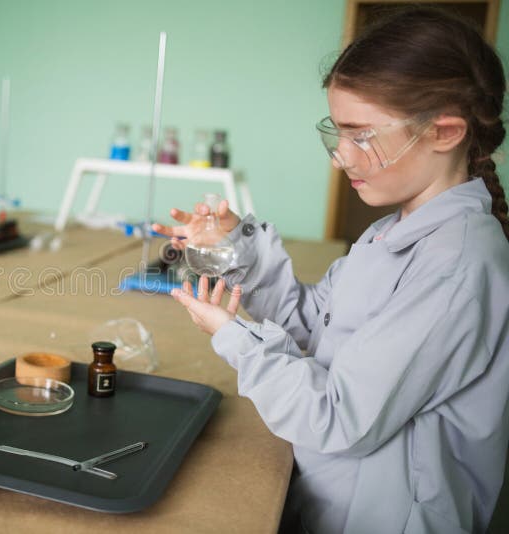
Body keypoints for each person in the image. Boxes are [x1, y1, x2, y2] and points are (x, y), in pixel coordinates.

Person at [153, 7, 509, 534]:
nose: (340, 158)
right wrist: (237, 246)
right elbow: (314, 326)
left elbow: (338, 417)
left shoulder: (456, 266)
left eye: (360, 134)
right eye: (336, 132)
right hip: (332, 497)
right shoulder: (393, 231)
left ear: (444, 132)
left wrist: (234, 337)